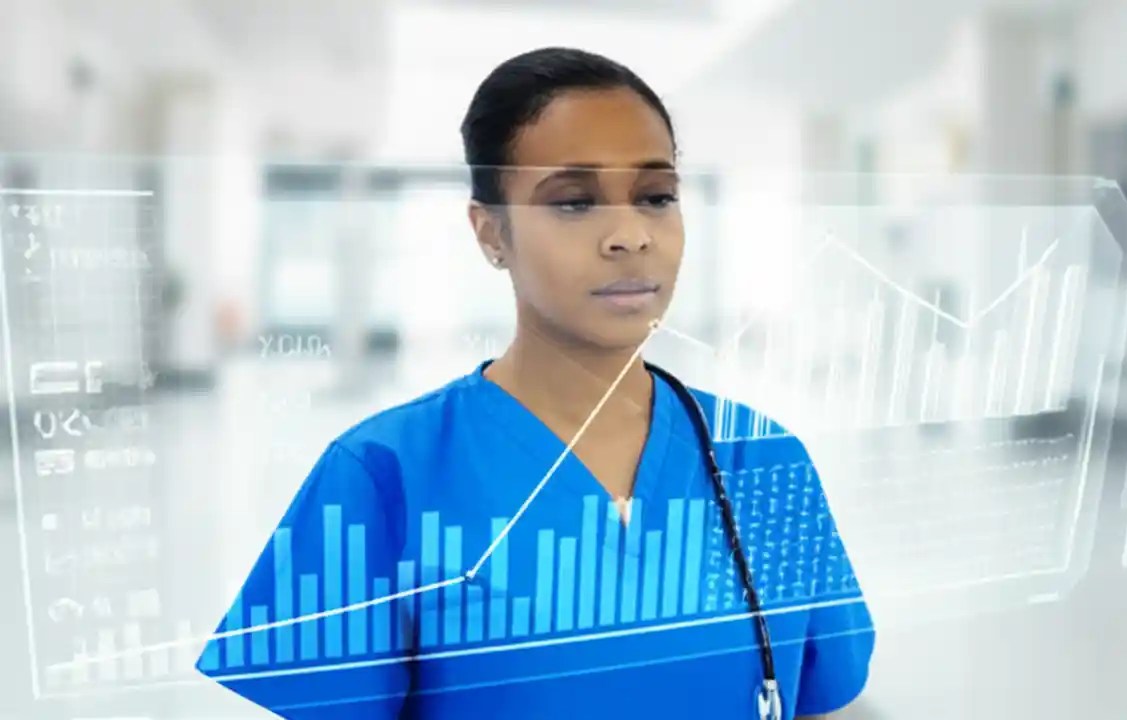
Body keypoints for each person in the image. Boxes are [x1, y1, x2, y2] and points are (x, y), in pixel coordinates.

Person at [196, 46, 874, 719]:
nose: (630, 234)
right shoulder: (384, 475)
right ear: (491, 233)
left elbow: (825, 702)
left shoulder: (764, 460)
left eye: (656, 195)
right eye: (574, 202)